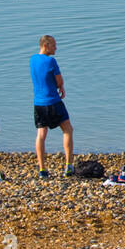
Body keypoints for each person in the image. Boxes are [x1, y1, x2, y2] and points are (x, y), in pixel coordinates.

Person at [30, 35, 74, 178]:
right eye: (54, 45)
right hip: (53, 101)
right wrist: (61, 87)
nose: (56, 48)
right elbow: (59, 80)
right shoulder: (51, 61)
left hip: (38, 103)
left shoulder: (33, 59)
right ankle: (68, 165)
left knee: (41, 134)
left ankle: (42, 169)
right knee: (67, 129)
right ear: (46, 45)